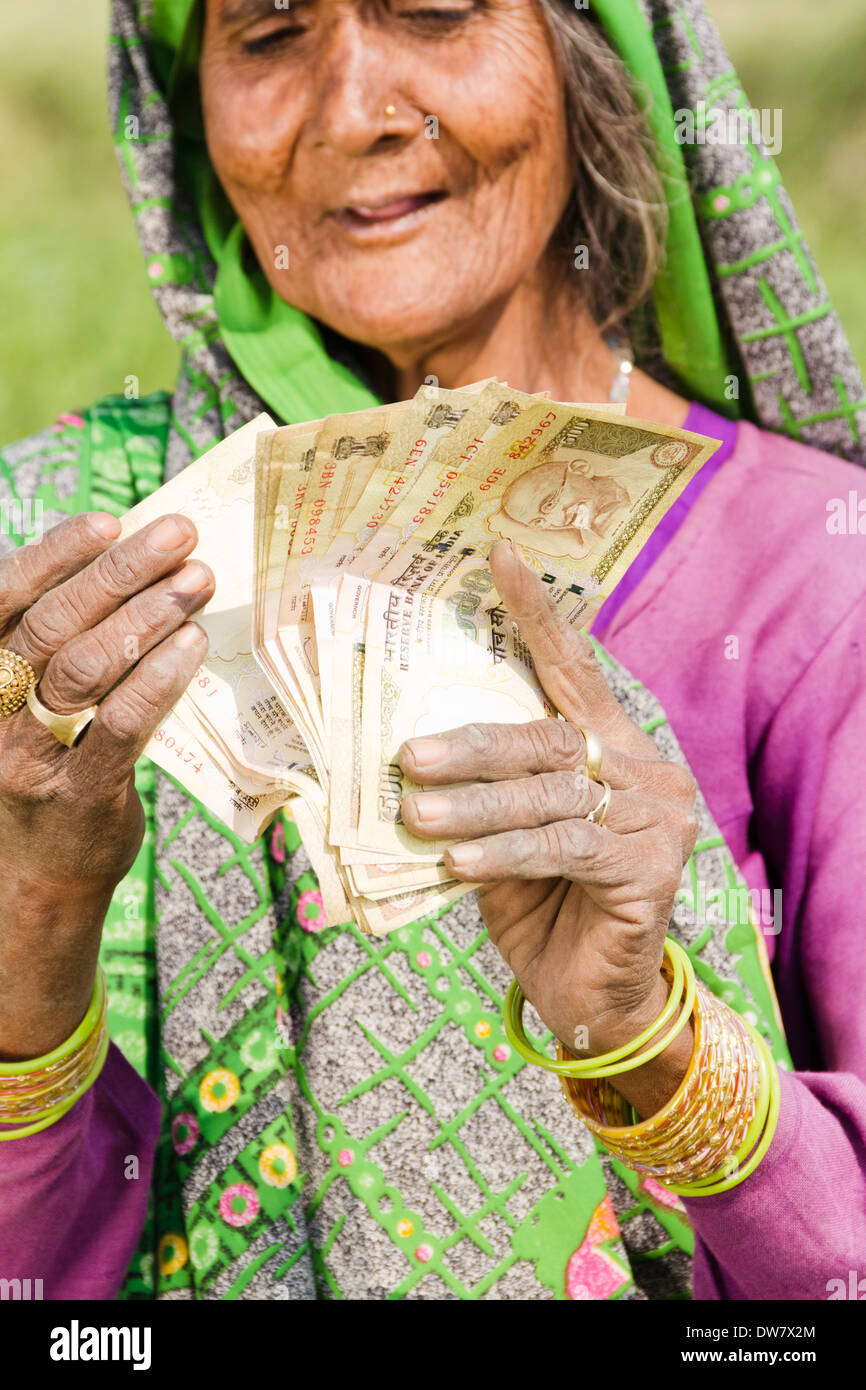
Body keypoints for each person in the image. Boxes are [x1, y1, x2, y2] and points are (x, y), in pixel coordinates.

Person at [0, 0, 864, 1302]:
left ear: (600, 62)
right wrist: (40, 910)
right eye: (270, 30)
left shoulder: (816, 577)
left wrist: (643, 1031)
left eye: (437, 9)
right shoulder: (73, 569)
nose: (351, 110)